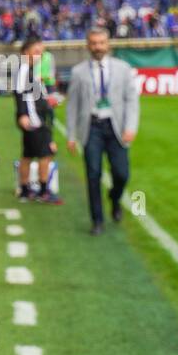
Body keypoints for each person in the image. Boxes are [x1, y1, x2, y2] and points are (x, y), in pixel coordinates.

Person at [66, 26, 140, 235]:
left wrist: (130, 127)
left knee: (122, 173)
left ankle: (114, 198)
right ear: (88, 45)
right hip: (92, 128)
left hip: (116, 127)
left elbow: (132, 101)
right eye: (94, 43)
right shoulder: (78, 71)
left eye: (101, 43)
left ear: (108, 44)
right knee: (93, 174)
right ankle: (97, 220)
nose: (98, 47)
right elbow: (73, 105)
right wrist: (71, 135)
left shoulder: (123, 68)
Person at [13, 35, 62, 205]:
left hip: (33, 118)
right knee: (45, 155)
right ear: (26, 52)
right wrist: (22, 115)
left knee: (28, 155)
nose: (40, 55)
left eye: (41, 52)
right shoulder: (24, 69)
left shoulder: (28, 70)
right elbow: (20, 94)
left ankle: (25, 190)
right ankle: (43, 191)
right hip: (34, 121)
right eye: (36, 52)